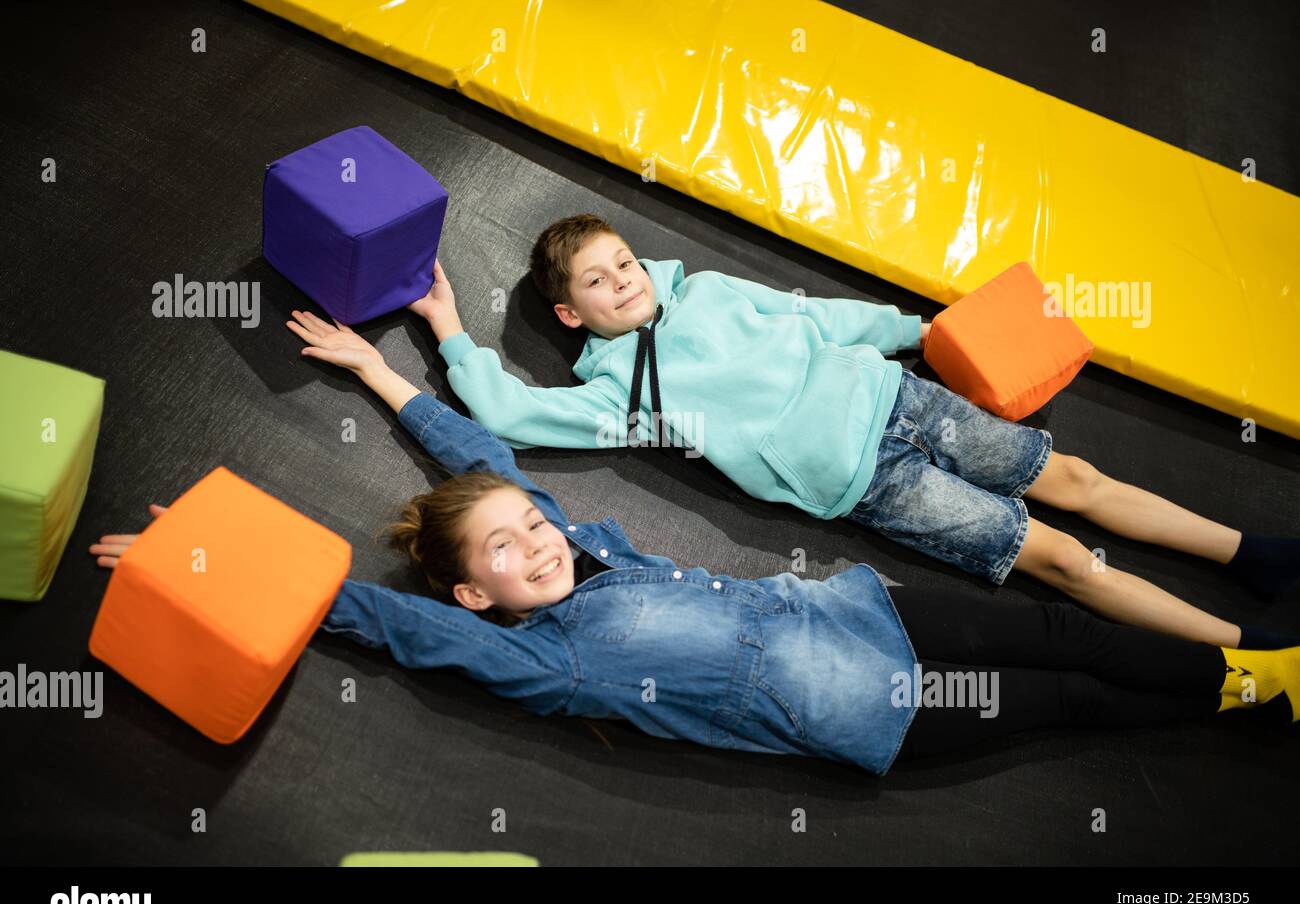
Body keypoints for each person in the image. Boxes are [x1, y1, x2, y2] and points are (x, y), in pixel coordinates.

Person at [88, 313, 1300, 774]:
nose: (535, 544)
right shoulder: (544, 661)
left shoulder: (564, 536)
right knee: (1074, 694)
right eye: (508, 555)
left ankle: (1258, 671)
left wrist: (380, 371)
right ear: (479, 595)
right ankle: (1241, 692)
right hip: (869, 709)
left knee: (1055, 624)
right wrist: (209, 559)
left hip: (857, 609)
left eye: (530, 530)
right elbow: (387, 616)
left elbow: (485, 468)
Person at [401, 214, 1300, 651]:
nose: (624, 281)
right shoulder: (623, 394)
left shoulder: (707, 292)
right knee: (1058, 559)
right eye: (598, 281)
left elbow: (818, 316)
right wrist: (449, 328)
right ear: (569, 313)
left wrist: (919, 329)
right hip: (871, 482)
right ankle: (1241, 652)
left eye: (625, 262)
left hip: (902, 396)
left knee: (1078, 477)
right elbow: (511, 412)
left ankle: (1252, 553)